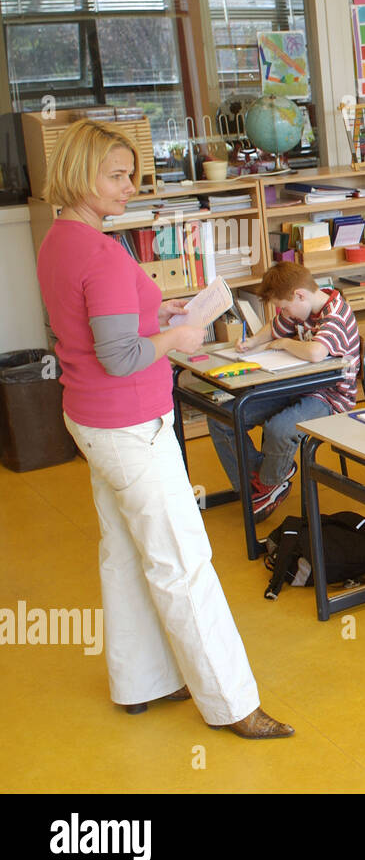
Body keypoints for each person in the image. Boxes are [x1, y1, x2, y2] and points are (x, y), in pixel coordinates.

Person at [35, 119, 291, 738]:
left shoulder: (61, 240)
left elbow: (105, 321)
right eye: (116, 176)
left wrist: (159, 310)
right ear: (77, 175)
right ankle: (232, 704)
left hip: (91, 419)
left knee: (124, 551)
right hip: (128, 425)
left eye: (132, 174)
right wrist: (177, 338)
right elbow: (121, 355)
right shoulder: (97, 250)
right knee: (183, 561)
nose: (131, 187)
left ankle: (139, 680)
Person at [207, 262, 359, 522]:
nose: (285, 312)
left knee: (279, 429)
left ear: (300, 294)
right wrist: (252, 342)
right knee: (221, 416)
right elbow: (276, 325)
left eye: (285, 306)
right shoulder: (302, 306)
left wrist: (285, 343)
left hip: (330, 397)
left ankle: (268, 480)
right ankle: (258, 486)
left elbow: (315, 352)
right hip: (295, 387)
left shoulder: (336, 314)